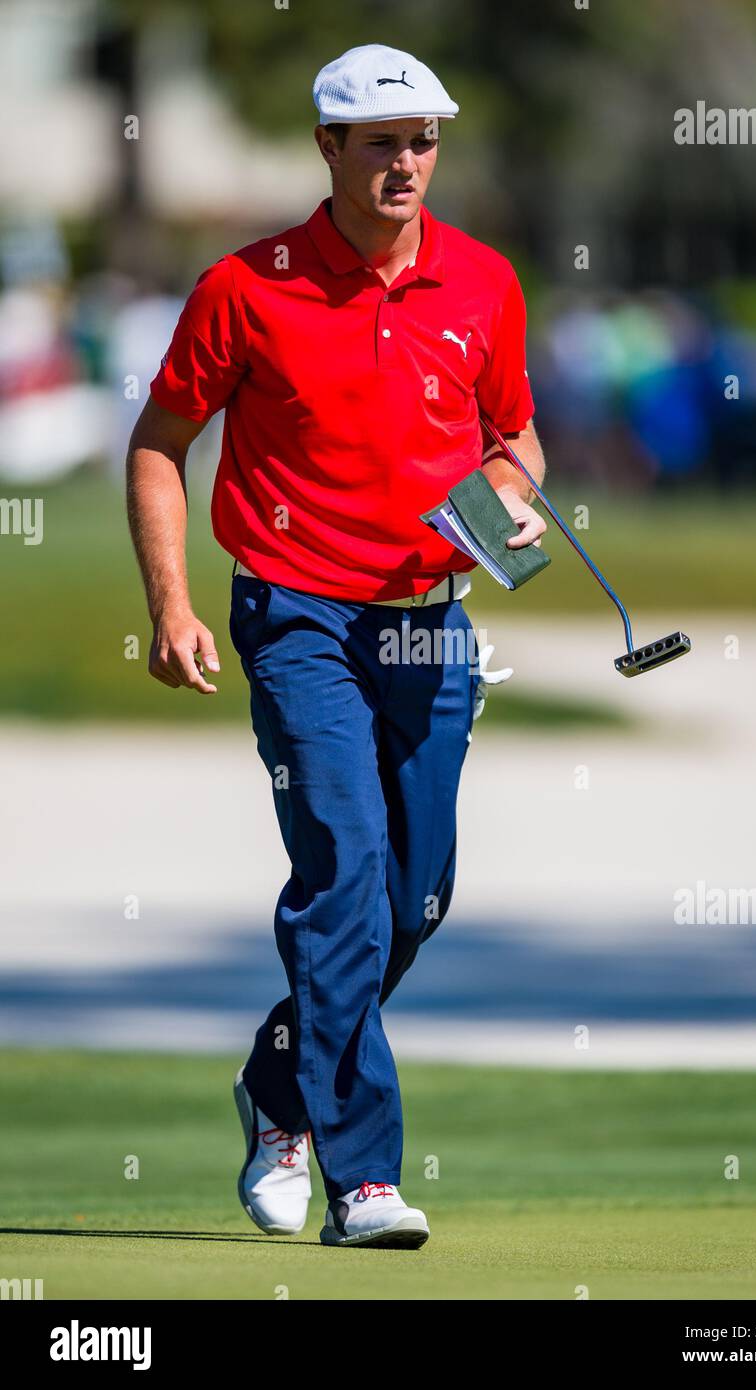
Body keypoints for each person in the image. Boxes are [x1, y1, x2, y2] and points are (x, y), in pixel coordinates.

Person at [126, 43, 546, 1249]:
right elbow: (159, 444)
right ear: (327, 148)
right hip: (298, 614)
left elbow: (513, 434)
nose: (407, 162)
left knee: (414, 899)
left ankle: (276, 1083)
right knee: (350, 870)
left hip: (430, 626)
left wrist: (511, 494)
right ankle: (364, 1179)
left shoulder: (482, 283)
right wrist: (171, 602)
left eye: (422, 139)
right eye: (381, 142)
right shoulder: (245, 286)